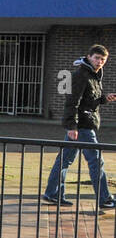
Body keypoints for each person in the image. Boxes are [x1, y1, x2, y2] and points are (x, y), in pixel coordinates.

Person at [44, 44, 116, 210]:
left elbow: (89, 99)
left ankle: (52, 193)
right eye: (96, 58)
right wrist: (71, 126)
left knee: (64, 160)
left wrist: (105, 99)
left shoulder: (94, 76)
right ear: (89, 57)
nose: (99, 62)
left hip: (83, 123)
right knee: (96, 162)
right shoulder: (81, 75)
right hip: (82, 125)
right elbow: (72, 102)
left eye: (103, 59)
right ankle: (105, 199)